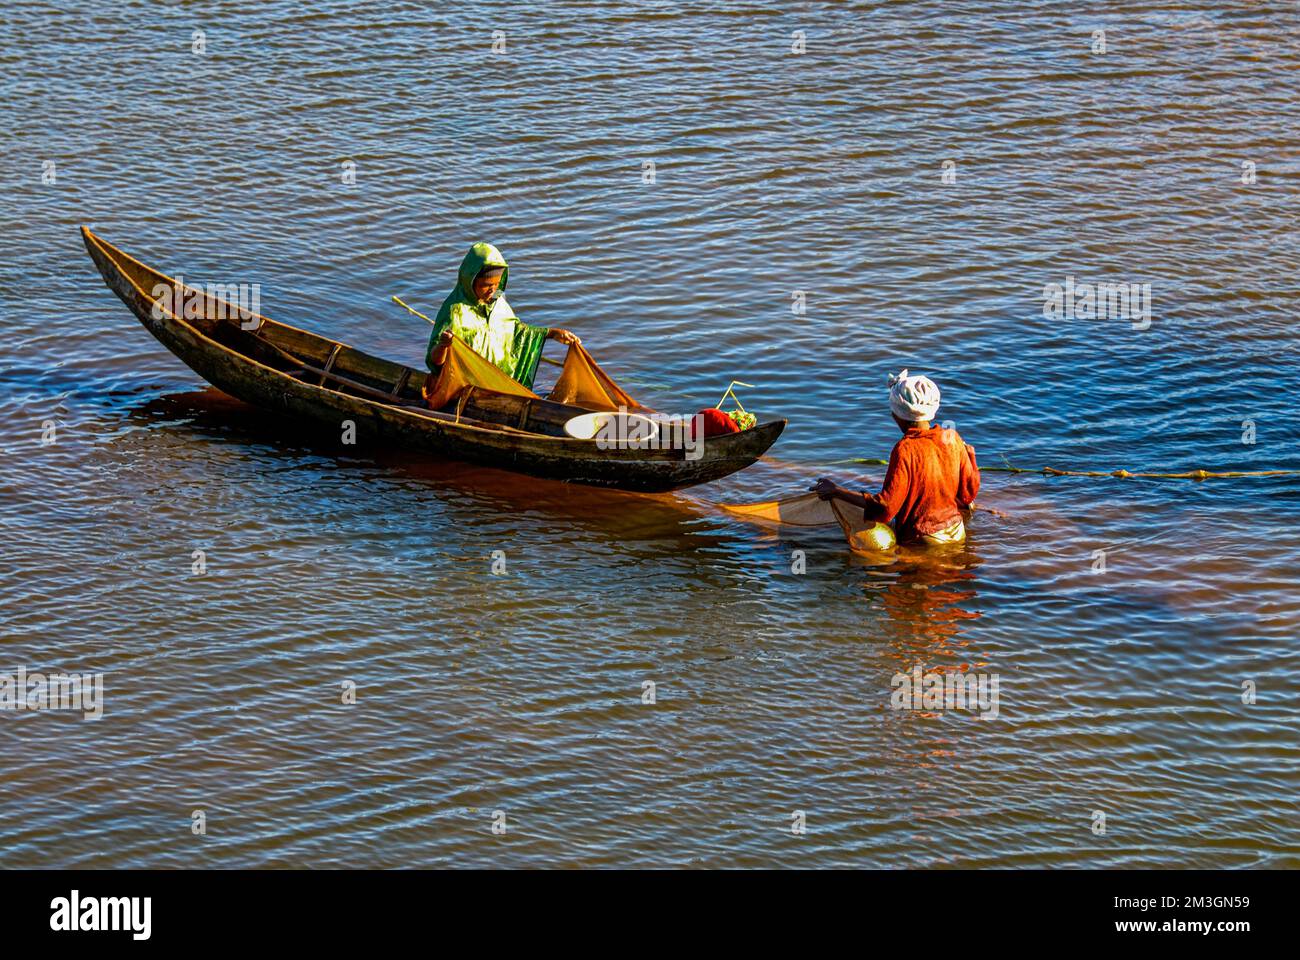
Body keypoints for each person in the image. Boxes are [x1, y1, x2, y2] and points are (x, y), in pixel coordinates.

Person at [811, 369, 979, 545]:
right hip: (957, 531)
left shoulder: (905, 449)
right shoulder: (952, 437)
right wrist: (970, 457)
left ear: (896, 415)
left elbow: (886, 508)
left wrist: (836, 490)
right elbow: (967, 495)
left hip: (924, 538)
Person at [426, 242, 580, 388]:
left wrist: (551, 333)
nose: (492, 290)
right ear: (470, 281)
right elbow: (435, 363)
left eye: (496, 284)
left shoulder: (497, 302)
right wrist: (443, 345)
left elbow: (516, 331)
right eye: (485, 285)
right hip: (467, 386)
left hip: (498, 381)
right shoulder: (455, 311)